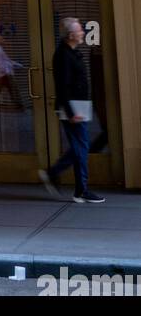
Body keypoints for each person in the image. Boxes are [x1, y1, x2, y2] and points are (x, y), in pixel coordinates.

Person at [39, 17, 105, 204]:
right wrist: (70, 112)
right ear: (71, 35)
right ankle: (78, 189)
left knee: (80, 147)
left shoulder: (72, 52)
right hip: (72, 107)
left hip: (79, 105)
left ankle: (55, 175)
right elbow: (62, 86)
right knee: (81, 147)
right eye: (80, 30)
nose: (83, 32)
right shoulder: (63, 55)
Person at [0, 32, 24, 110]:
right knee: (13, 89)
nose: (2, 39)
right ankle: (19, 105)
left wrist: (16, 64)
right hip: (2, 74)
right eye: (0, 38)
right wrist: (7, 71)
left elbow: (4, 60)